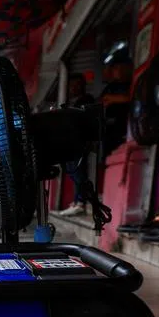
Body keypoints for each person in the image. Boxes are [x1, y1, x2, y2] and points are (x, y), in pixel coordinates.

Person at [56, 73, 97, 217]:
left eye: (77, 85)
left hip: (80, 142)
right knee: (73, 172)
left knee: (79, 173)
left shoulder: (87, 100)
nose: (74, 88)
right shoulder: (70, 101)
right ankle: (76, 201)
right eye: (72, 85)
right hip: (71, 142)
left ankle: (80, 202)